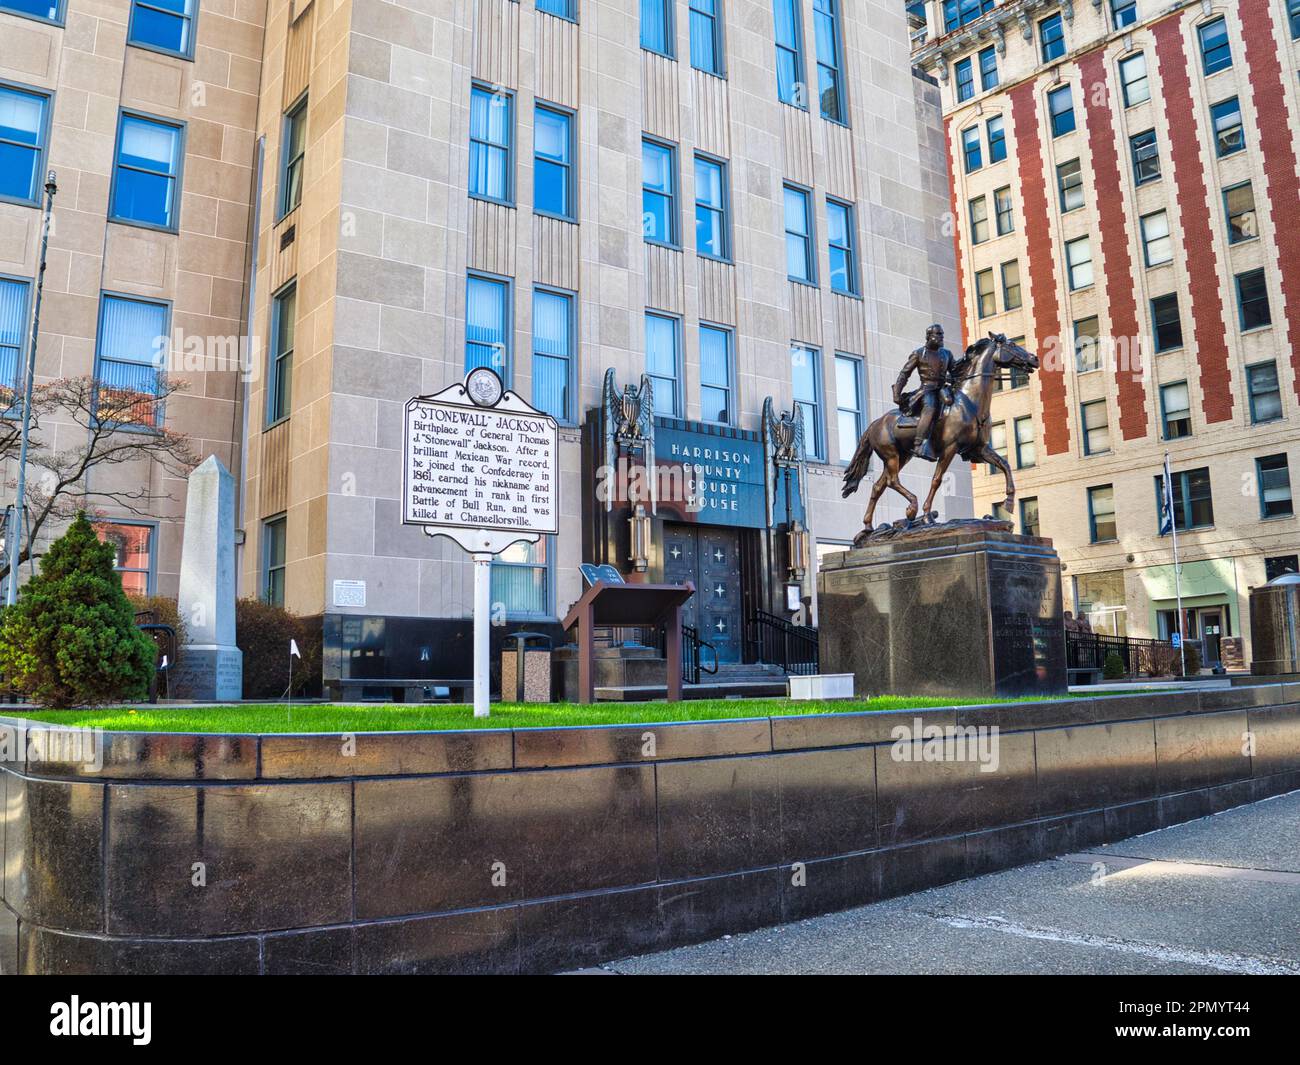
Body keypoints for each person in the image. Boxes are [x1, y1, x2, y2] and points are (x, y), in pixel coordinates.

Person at [893, 324, 955, 461]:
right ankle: (919, 444)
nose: (941, 337)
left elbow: (955, 372)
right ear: (929, 337)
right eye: (938, 334)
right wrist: (897, 392)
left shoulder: (947, 354)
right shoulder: (919, 353)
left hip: (943, 390)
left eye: (942, 334)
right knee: (930, 407)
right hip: (927, 390)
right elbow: (905, 374)